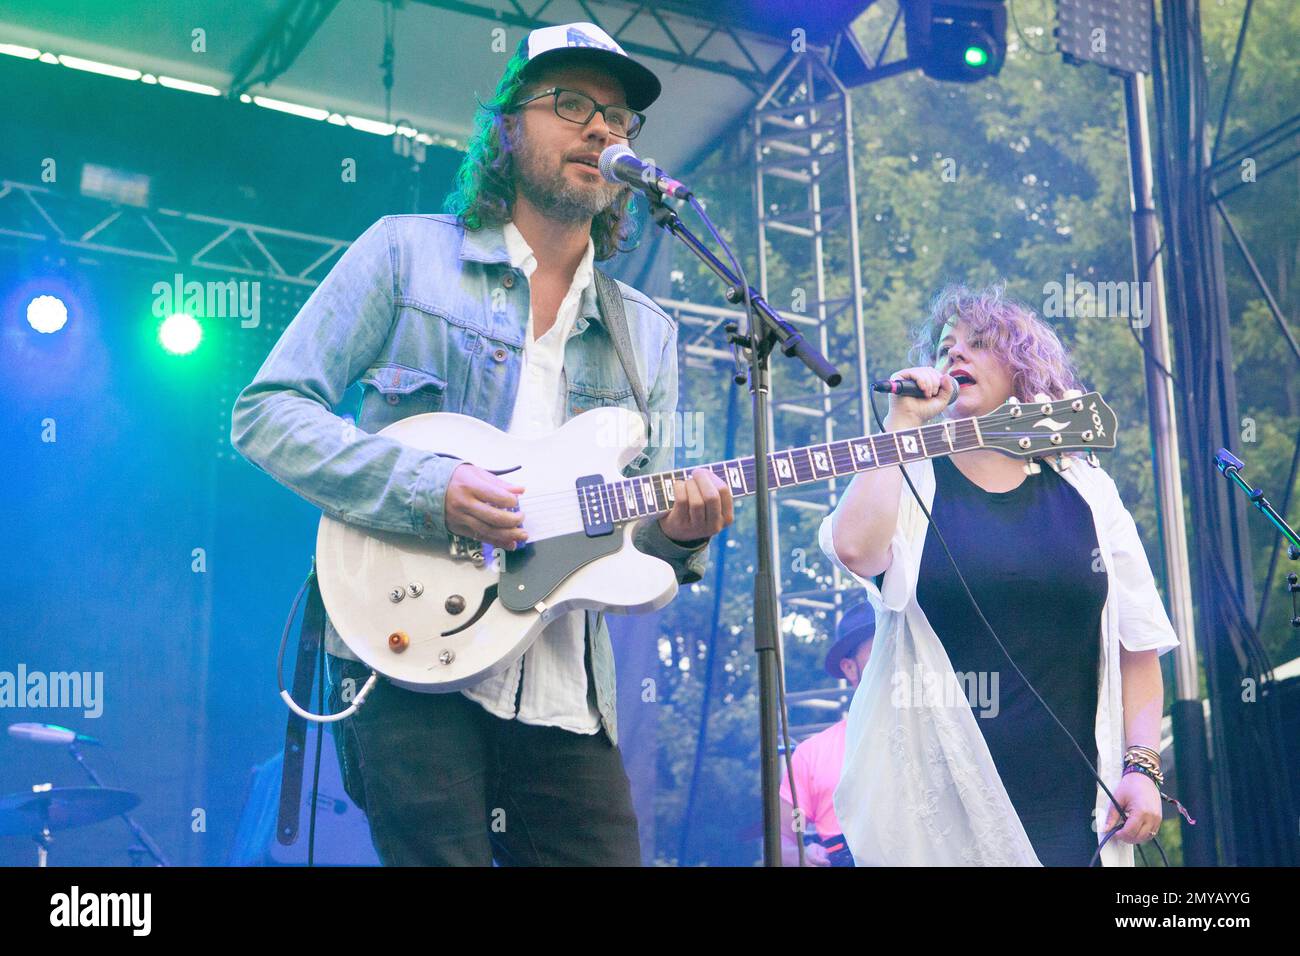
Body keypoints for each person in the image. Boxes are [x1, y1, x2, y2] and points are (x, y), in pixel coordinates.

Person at [231, 21, 734, 866]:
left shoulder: (645, 332)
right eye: (570, 104)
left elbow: (634, 535)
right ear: (506, 128)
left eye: (617, 118)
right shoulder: (403, 255)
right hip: (411, 655)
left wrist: (679, 536)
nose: (601, 130)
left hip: (566, 694)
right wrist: (431, 488)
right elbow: (270, 410)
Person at [819, 283, 1179, 866]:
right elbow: (856, 548)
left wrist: (1142, 767)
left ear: (1021, 369)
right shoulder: (912, 479)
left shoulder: (1086, 490)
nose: (955, 355)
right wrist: (901, 425)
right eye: (945, 347)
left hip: (1077, 809)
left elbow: (1138, 646)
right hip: (941, 810)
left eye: (979, 343)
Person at [779, 601, 875, 866]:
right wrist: (802, 855)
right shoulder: (812, 754)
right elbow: (781, 839)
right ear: (849, 668)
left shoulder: (933, 733)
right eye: (876, 653)